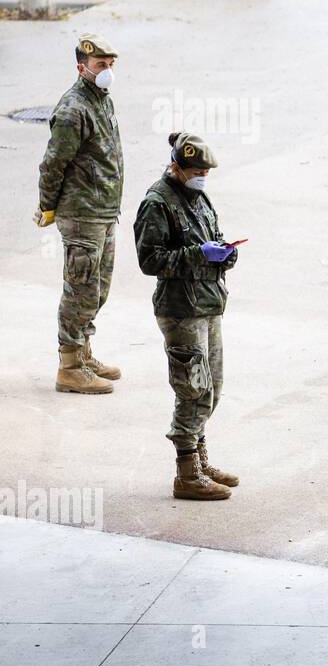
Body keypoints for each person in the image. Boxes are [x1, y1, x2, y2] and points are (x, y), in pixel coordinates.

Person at [133, 133, 241, 500]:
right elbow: (150, 260)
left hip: (208, 303)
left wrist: (225, 253)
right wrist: (198, 254)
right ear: (176, 167)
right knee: (192, 388)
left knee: (213, 386)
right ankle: (187, 472)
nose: (203, 176)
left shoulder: (198, 195)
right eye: (196, 170)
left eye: (206, 171)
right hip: (180, 309)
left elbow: (213, 235)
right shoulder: (157, 203)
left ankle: (199, 455)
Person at [37, 33, 125, 395]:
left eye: (110, 65)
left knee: (97, 289)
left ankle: (83, 351)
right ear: (81, 67)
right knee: (80, 290)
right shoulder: (74, 109)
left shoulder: (100, 99)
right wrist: (47, 207)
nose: (106, 71)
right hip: (82, 213)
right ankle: (69, 366)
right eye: (100, 65)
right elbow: (52, 164)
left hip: (103, 211)